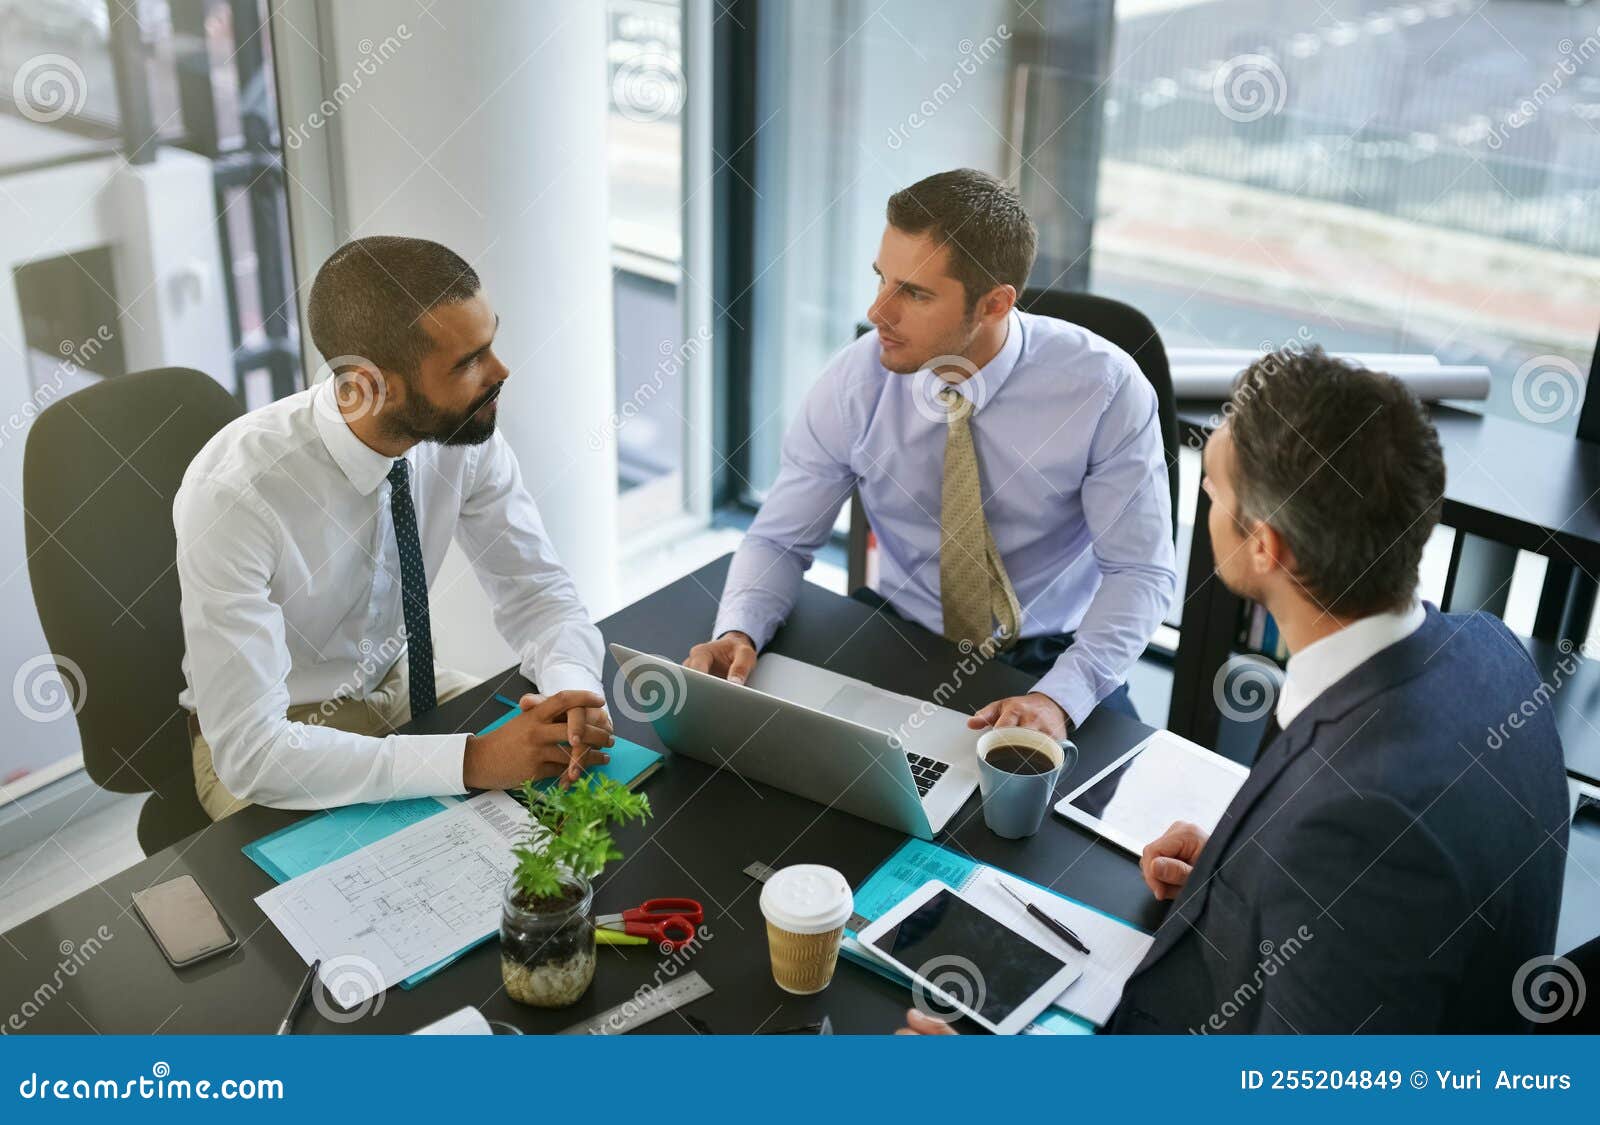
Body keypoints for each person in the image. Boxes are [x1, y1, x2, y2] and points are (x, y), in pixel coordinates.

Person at [900, 347, 1570, 1034]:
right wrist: (1249, 876)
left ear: (1266, 548)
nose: (1204, 505)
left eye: (1213, 494)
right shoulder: (1494, 652)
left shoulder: (1350, 834)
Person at [687, 169, 1176, 740]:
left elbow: (1139, 572)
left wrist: (1059, 698)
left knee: (1085, 818)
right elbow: (780, 538)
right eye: (881, 279)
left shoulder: (1105, 389)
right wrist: (738, 632)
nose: (878, 313)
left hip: (1054, 656)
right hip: (900, 635)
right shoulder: (854, 382)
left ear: (994, 304)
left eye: (914, 293)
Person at [176, 235, 614, 818]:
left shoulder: (462, 435)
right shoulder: (234, 494)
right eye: (468, 362)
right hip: (282, 735)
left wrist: (569, 690)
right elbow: (253, 752)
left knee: (581, 823)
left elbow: (541, 599)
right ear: (368, 384)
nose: (501, 371)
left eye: (491, 343)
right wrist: (475, 760)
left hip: (404, 689)